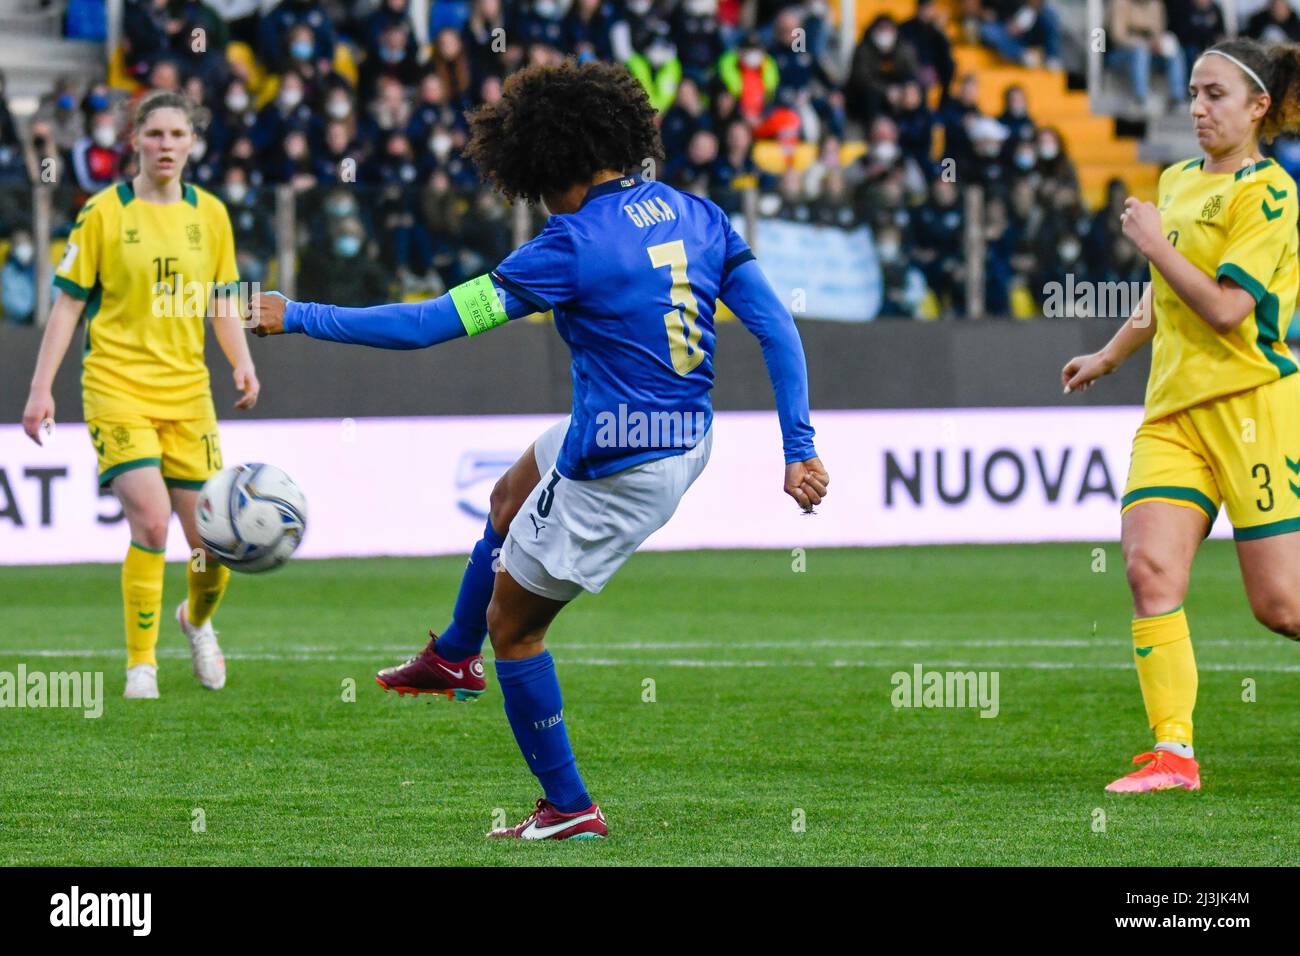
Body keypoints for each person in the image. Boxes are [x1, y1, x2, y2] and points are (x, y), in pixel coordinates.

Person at [246, 59, 827, 839]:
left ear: (548, 161)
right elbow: (775, 327)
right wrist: (798, 446)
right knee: (509, 495)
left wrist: (300, 315)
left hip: (618, 467)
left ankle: (567, 807)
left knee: (514, 625)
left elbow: (429, 326)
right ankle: (452, 657)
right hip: (684, 434)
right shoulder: (699, 213)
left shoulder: (570, 244)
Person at [1061, 39, 1300, 792]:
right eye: (1193, 93)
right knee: (1148, 567)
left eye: (1215, 95)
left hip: (1253, 409)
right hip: (1173, 414)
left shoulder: (1271, 195)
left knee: (1282, 606)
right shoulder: (1174, 179)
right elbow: (1165, 297)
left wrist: (1157, 245)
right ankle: (1174, 754)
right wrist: (1109, 355)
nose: (1197, 108)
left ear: (1259, 106)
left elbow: (1228, 310)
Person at [21, 91, 260, 700]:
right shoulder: (102, 212)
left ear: (192, 143)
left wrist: (242, 362)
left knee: (212, 544)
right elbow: (69, 302)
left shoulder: (211, 215)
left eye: (177, 135)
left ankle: (196, 621)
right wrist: (41, 387)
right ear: (135, 140)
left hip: (188, 393)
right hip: (116, 386)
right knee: (151, 522)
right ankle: (141, 668)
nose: (166, 146)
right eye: (154, 134)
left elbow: (222, 300)